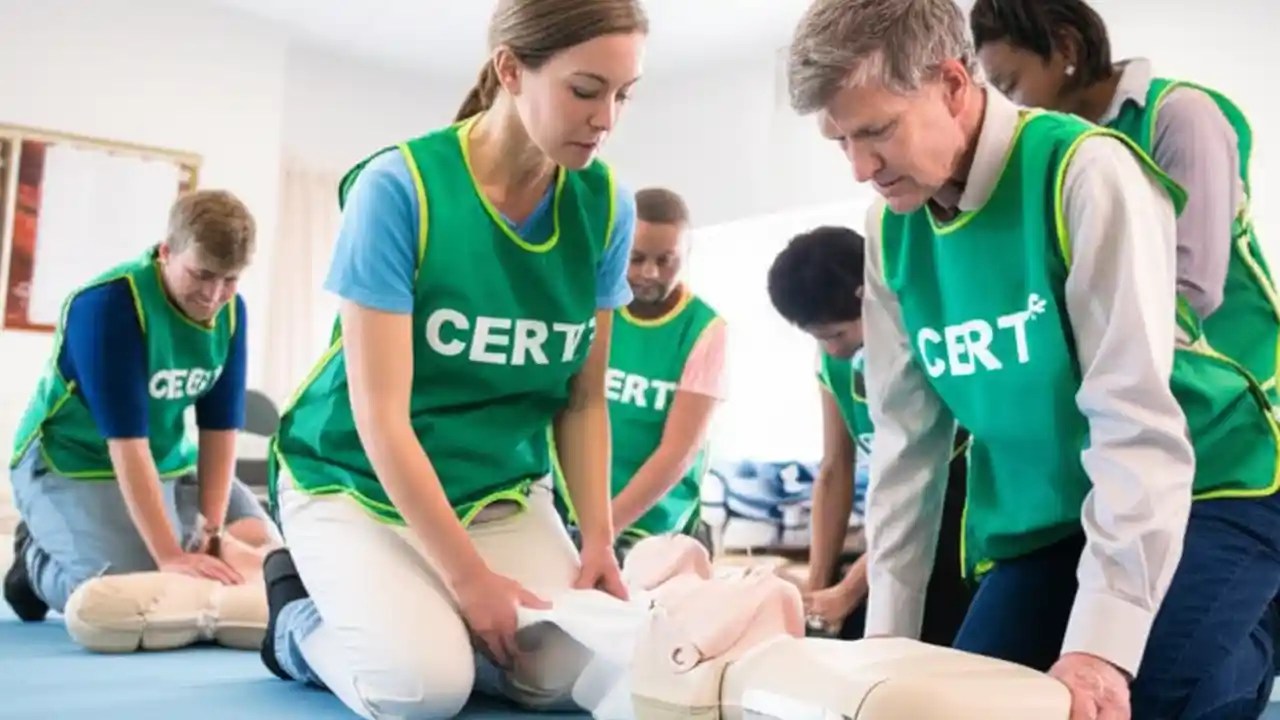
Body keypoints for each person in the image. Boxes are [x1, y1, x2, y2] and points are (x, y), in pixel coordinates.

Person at [786, 1, 1280, 719]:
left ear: (954, 84)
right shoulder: (888, 231)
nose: (862, 167)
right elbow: (905, 451)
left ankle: (1256, 621)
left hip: (1208, 480)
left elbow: (1130, 419)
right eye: (841, 141)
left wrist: (1100, 653)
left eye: (877, 131)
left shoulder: (1083, 171)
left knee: (1144, 697)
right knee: (968, 704)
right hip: (1052, 510)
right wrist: (884, 650)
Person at [256, 1, 649, 717]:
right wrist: (469, 581)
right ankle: (293, 621)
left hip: (496, 491)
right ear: (510, 69)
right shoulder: (397, 189)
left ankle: (422, 618)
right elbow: (381, 418)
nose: (607, 119)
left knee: (560, 676)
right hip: (354, 481)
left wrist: (598, 539)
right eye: (586, 90)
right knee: (420, 691)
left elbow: (584, 400)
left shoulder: (608, 207)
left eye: (624, 95)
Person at [969, 0, 1280, 400]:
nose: (1010, 109)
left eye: (1011, 85)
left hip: (1228, 390)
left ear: (1067, 48)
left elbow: (1193, 290)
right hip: (1133, 394)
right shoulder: (1051, 152)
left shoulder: (1178, 117)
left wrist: (1082, 369)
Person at [4, 189, 277, 623]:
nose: (213, 295)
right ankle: (33, 562)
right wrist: (170, 555)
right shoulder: (107, 306)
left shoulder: (231, 311)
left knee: (259, 548)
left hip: (166, 459)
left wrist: (211, 532)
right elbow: (126, 442)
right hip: (72, 461)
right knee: (123, 590)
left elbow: (220, 429)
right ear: (166, 252)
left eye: (230, 280)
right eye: (201, 274)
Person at [766, 224, 972, 646]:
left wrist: (849, 590)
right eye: (816, 338)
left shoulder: (923, 344)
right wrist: (818, 588)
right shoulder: (833, 362)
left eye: (837, 334)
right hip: (891, 529)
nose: (830, 349)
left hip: (953, 523)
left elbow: (923, 491)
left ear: (870, 296)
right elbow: (834, 470)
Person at [554, 187, 727, 560]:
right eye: (636, 259)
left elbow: (676, 454)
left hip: (649, 527)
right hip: (568, 510)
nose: (650, 273)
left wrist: (602, 532)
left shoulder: (703, 330)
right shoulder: (589, 305)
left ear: (686, 255)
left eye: (666, 260)